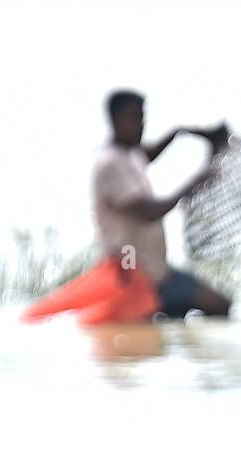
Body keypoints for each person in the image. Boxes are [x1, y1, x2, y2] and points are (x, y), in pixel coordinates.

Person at [93, 89, 232, 319]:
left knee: (220, 305)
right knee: (143, 331)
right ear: (115, 120)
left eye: (142, 117)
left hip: (158, 273)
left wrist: (181, 133)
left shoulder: (132, 154)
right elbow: (149, 211)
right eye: (134, 117)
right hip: (131, 275)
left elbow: (149, 153)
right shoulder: (110, 163)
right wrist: (196, 182)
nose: (141, 124)